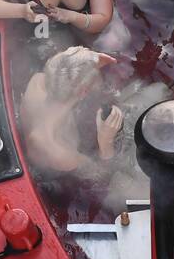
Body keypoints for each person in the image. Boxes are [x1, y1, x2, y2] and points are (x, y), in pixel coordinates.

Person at [19, 46, 124, 174]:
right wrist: (106, 141)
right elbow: (101, 174)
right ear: (83, 92)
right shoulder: (61, 153)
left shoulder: (37, 82)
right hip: (50, 175)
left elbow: (61, 67)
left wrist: (83, 60)